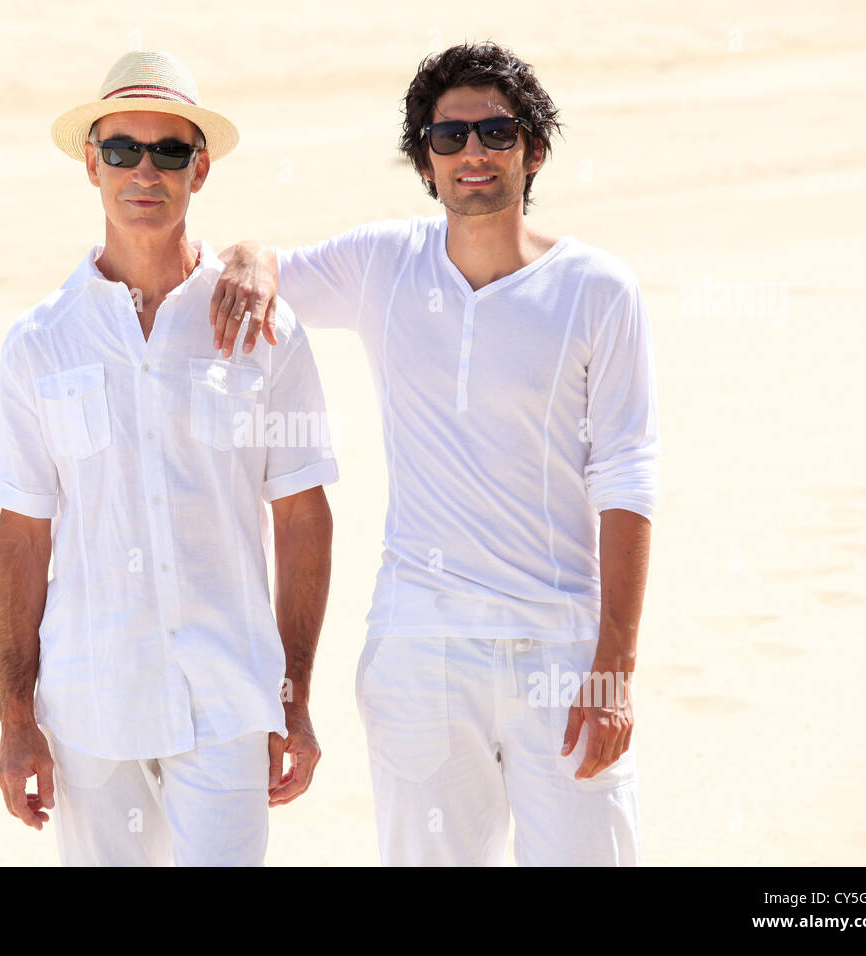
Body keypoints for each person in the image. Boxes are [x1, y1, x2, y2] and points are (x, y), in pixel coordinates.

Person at [210, 41, 659, 866]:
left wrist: (614, 671)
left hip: (561, 655)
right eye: (449, 137)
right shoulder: (383, 263)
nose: (473, 152)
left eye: (497, 132)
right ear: (425, 161)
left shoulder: (598, 289)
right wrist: (245, 253)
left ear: (534, 149)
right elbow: (263, 270)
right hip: (420, 654)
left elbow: (627, 477)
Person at [0, 50, 337, 866]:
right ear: (91, 164)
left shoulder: (264, 329)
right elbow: (21, 535)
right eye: (122, 150)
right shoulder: (41, 341)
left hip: (229, 702)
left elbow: (302, 518)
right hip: (90, 706)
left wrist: (295, 696)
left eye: (169, 151)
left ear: (199, 169)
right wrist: (15, 717)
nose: (145, 171)